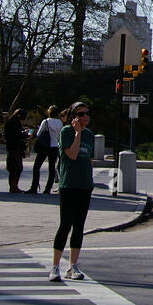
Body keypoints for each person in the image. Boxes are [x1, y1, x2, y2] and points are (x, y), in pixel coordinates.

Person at [51, 101, 95, 282]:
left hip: (85, 185)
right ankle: (55, 266)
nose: (85, 117)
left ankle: (72, 265)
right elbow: (72, 154)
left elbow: (88, 159)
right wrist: (77, 133)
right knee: (65, 225)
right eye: (81, 114)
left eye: (87, 113)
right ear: (73, 117)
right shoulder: (66, 132)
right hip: (69, 185)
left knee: (79, 226)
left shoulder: (91, 135)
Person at [28, 106, 62, 194]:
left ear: (49, 112)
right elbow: (59, 136)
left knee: (37, 167)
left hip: (44, 146)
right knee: (51, 168)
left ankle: (34, 187)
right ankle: (47, 188)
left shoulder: (46, 121)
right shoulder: (60, 122)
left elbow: (39, 134)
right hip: (54, 146)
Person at [3, 109, 27, 192]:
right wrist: (24, 134)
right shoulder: (14, 123)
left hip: (13, 148)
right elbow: (16, 134)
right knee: (15, 168)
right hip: (14, 148)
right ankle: (13, 186)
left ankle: (14, 186)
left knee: (15, 168)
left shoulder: (11, 121)